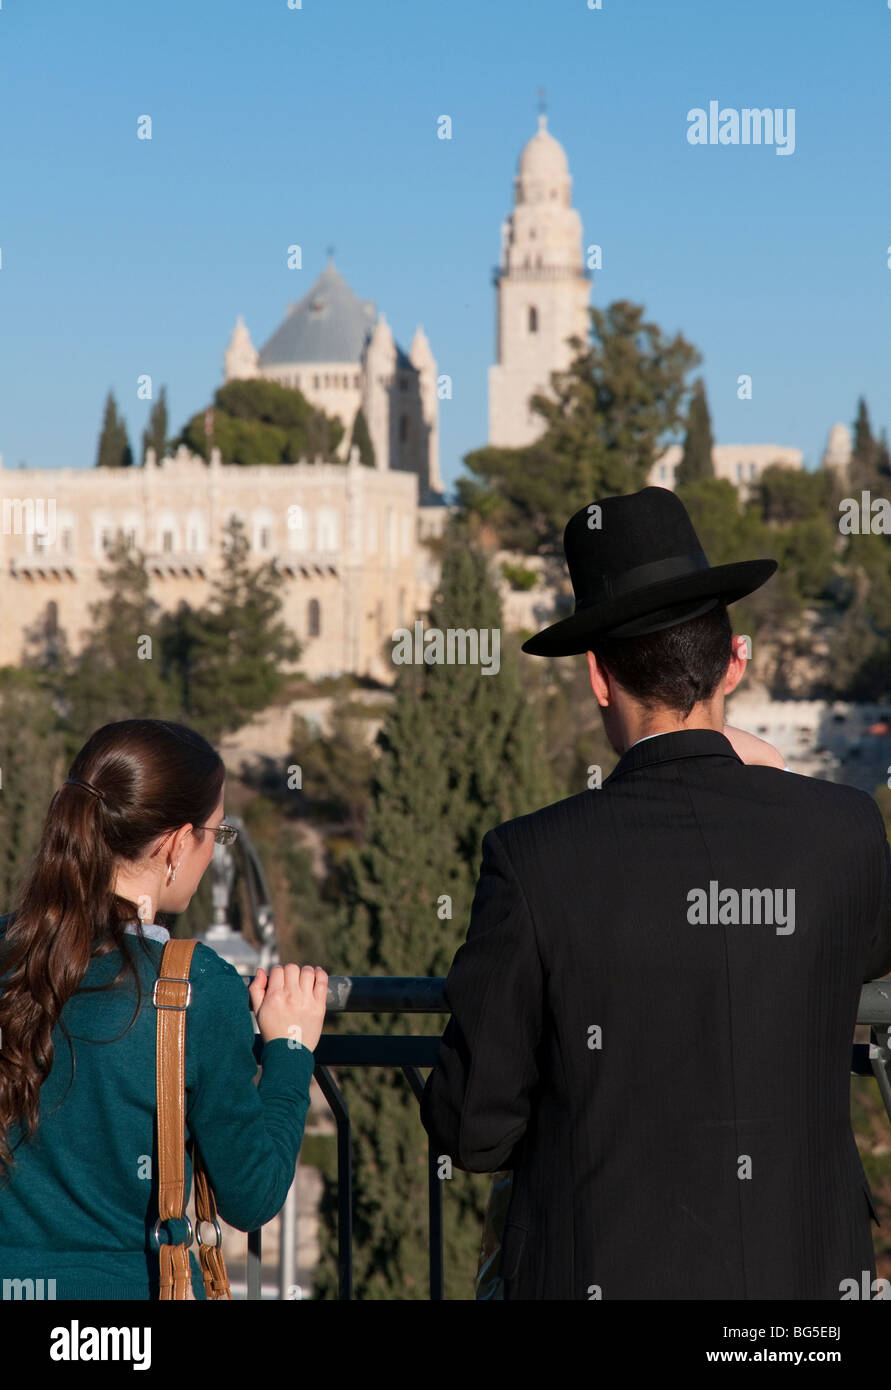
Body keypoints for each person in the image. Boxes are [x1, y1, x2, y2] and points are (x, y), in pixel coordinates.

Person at [420, 486, 891, 1300]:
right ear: (731, 663)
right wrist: (775, 778)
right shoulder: (844, 832)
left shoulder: (533, 859)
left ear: (599, 679)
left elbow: (474, 1127)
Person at [0, 718, 328, 1300]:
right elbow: (252, 1195)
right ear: (178, 844)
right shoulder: (193, 984)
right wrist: (291, 1048)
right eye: (214, 835)